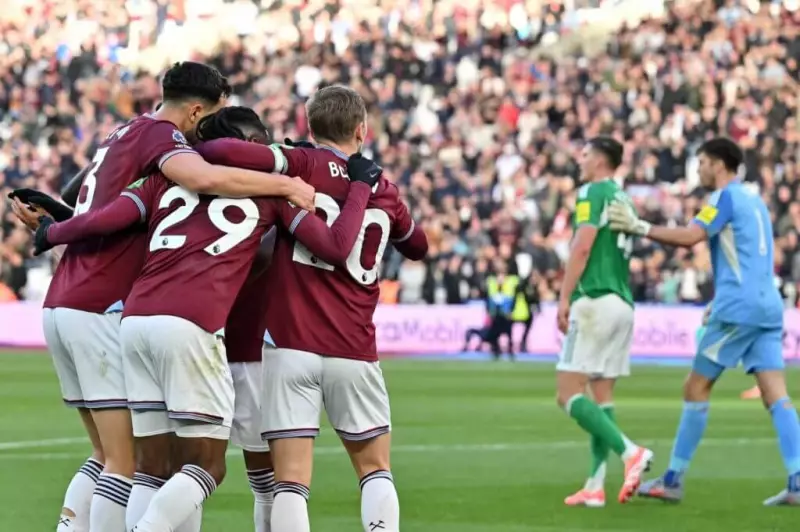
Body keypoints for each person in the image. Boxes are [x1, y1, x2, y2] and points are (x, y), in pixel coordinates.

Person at [14, 110, 382, 532]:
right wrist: (355, 187)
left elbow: (108, 217)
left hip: (140, 322)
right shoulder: (272, 193)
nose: (268, 149)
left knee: (152, 467)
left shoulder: (164, 180)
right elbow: (330, 247)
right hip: (224, 341)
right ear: (246, 145)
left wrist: (55, 227)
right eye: (261, 142)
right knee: (228, 471)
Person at [195, 84, 428, 532]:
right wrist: (382, 200)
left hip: (290, 344)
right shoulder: (383, 188)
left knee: (289, 482)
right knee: (374, 469)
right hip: (354, 346)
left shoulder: (301, 163)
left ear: (310, 125)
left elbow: (221, 150)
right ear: (362, 130)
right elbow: (417, 245)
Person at [608, 137, 800, 505]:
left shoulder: (722, 198)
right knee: (776, 394)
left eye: (702, 163)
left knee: (695, 388)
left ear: (718, 164)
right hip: (768, 306)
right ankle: (798, 480)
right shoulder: (755, 201)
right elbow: (753, 256)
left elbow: (691, 236)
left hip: (739, 308)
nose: (698, 169)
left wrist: (640, 227)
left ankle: (673, 479)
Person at [555, 137, 654, 507]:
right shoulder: (623, 198)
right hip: (622, 302)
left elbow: (583, 245)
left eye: (584, 155)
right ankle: (595, 486)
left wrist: (564, 296)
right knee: (602, 394)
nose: (579, 161)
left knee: (568, 393)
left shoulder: (592, 192)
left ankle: (630, 452)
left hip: (594, 300)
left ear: (598, 160)